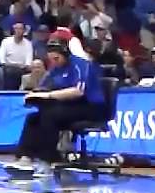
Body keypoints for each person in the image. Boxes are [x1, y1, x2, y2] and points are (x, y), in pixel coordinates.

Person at [6, 38, 106, 177]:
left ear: (65, 54)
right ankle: (25, 158)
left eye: (57, 58)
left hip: (91, 107)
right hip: (70, 106)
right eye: (51, 59)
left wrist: (49, 95)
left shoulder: (81, 65)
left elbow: (78, 91)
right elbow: (44, 87)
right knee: (34, 117)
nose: (54, 61)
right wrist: (34, 95)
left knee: (50, 115)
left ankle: (47, 160)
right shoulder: (55, 69)